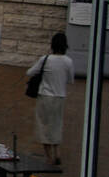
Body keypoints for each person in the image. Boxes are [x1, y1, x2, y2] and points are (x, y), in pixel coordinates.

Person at [27, 31, 76, 166]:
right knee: (56, 125)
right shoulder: (68, 61)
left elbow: (30, 72)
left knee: (43, 126)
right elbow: (71, 79)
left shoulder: (46, 59)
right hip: (60, 97)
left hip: (45, 96)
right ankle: (57, 153)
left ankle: (49, 157)